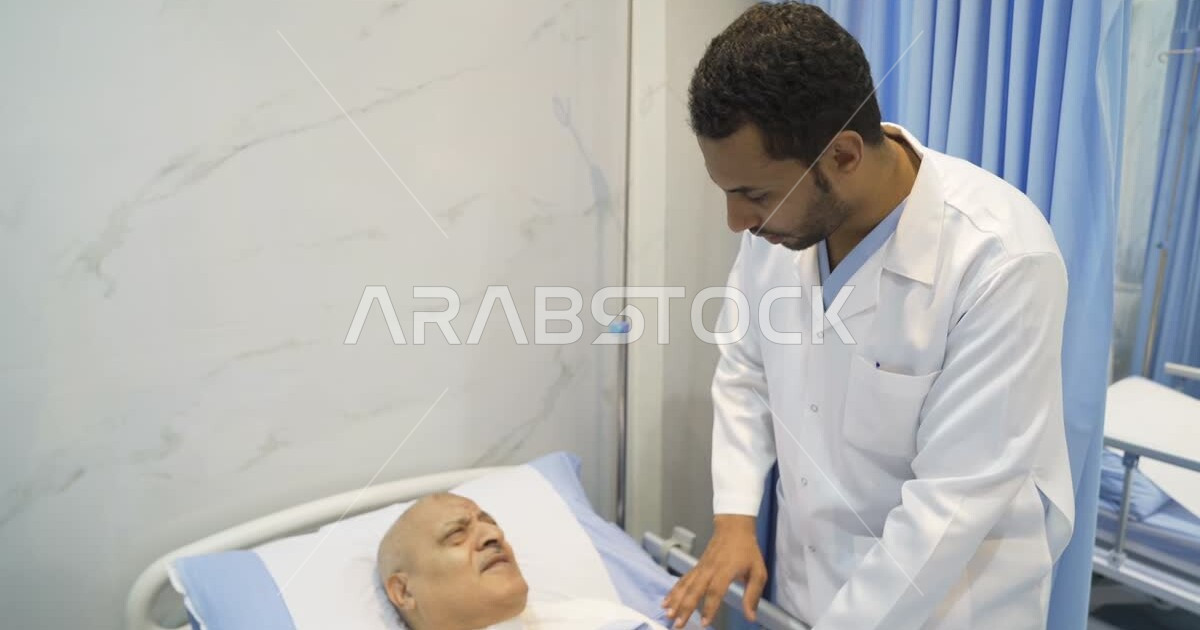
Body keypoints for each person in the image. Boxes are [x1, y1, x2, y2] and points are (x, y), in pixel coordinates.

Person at [662, 3, 1075, 630]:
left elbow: (952, 502)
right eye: (728, 193)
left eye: (755, 195)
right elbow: (745, 369)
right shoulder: (782, 228)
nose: (737, 222)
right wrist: (735, 517)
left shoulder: (1000, 258)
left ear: (845, 156)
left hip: (950, 606)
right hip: (808, 588)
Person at [377, 492, 669, 630]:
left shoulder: (599, 616)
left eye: (490, 522)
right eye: (456, 534)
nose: (494, 534)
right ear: (404, 591)